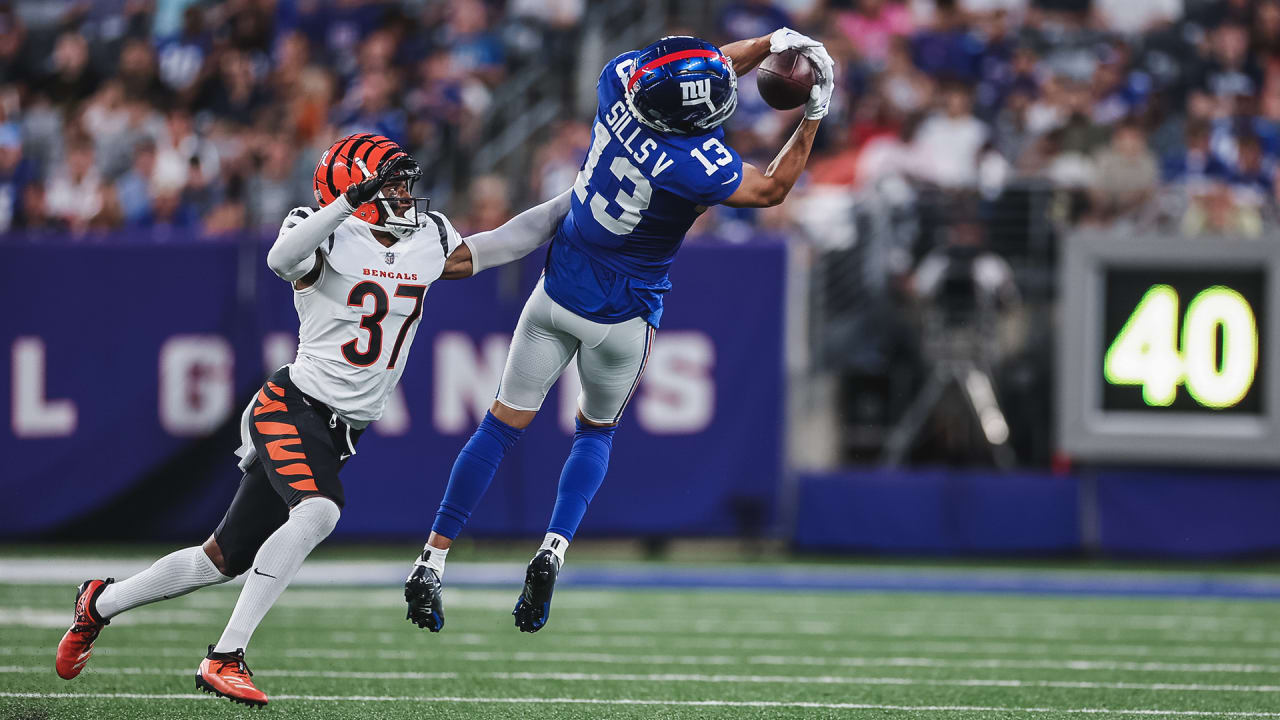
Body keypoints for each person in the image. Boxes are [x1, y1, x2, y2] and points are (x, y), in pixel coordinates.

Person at [54, 133, 570, 706]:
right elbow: (280, 261)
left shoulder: (427, 237)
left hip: (339, 429)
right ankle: (225, 657)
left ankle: (97, 602)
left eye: (403, 184)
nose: (403, 196)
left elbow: (505, 242)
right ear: (355, 188)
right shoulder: (320, 228)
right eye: (390, 184)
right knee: (320, 510)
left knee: (219, 560)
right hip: (293, 405)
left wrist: (584, 194)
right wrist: (349, 203)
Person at [403, 29, 834, 634]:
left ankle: (432, 558)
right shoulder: (697, 166)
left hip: (558, 291)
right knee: (595, 433)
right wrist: (811, 111)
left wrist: (765, 43)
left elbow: (694, 68)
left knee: (499, 427)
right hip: (626, 316)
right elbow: (772, 188)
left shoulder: (614, 85)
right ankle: (553, 549)